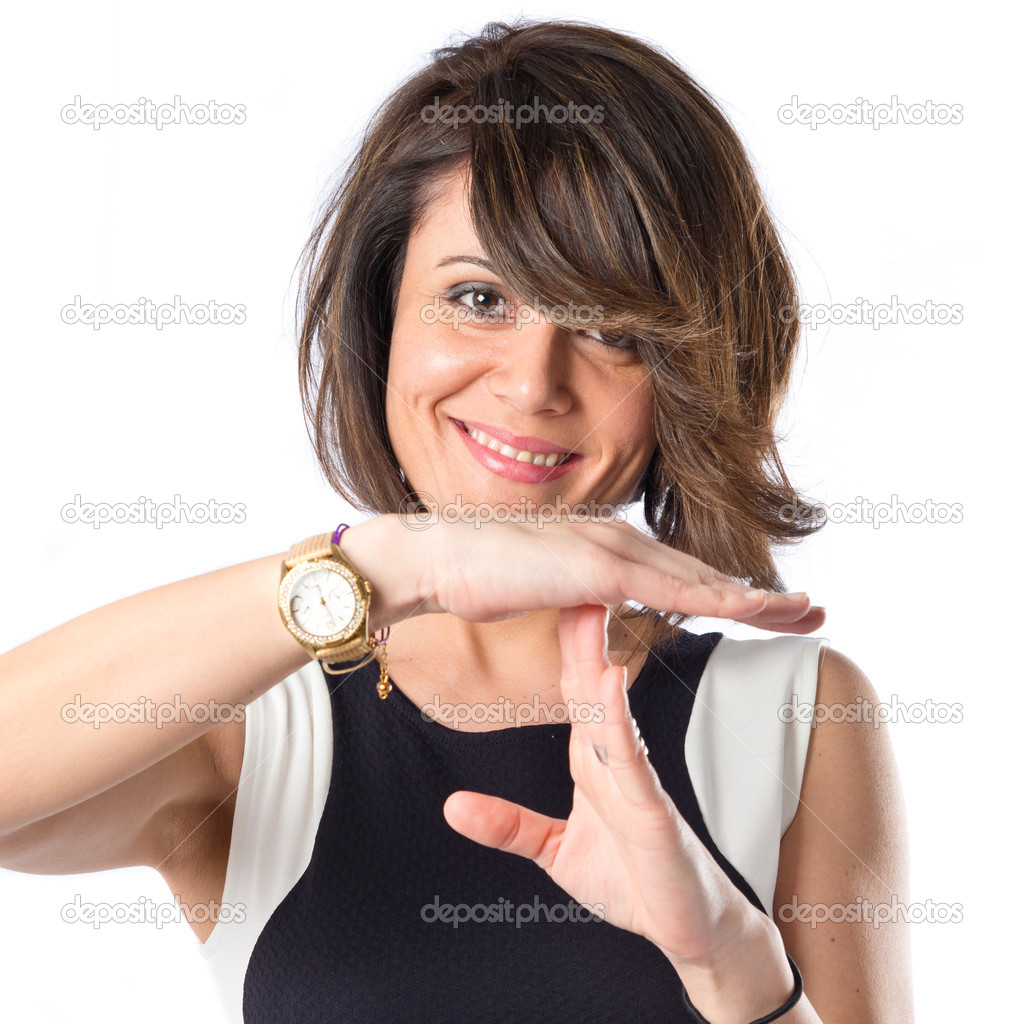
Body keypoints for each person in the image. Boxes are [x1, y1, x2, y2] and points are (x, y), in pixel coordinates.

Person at [0, 19, 911, 1023]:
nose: (532, 384)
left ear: (688, 370)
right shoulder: (246, 718)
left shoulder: (794, 716)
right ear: (382, 309)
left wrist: (733, 964)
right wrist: (384, 565)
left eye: (612, 328)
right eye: (478, 297)